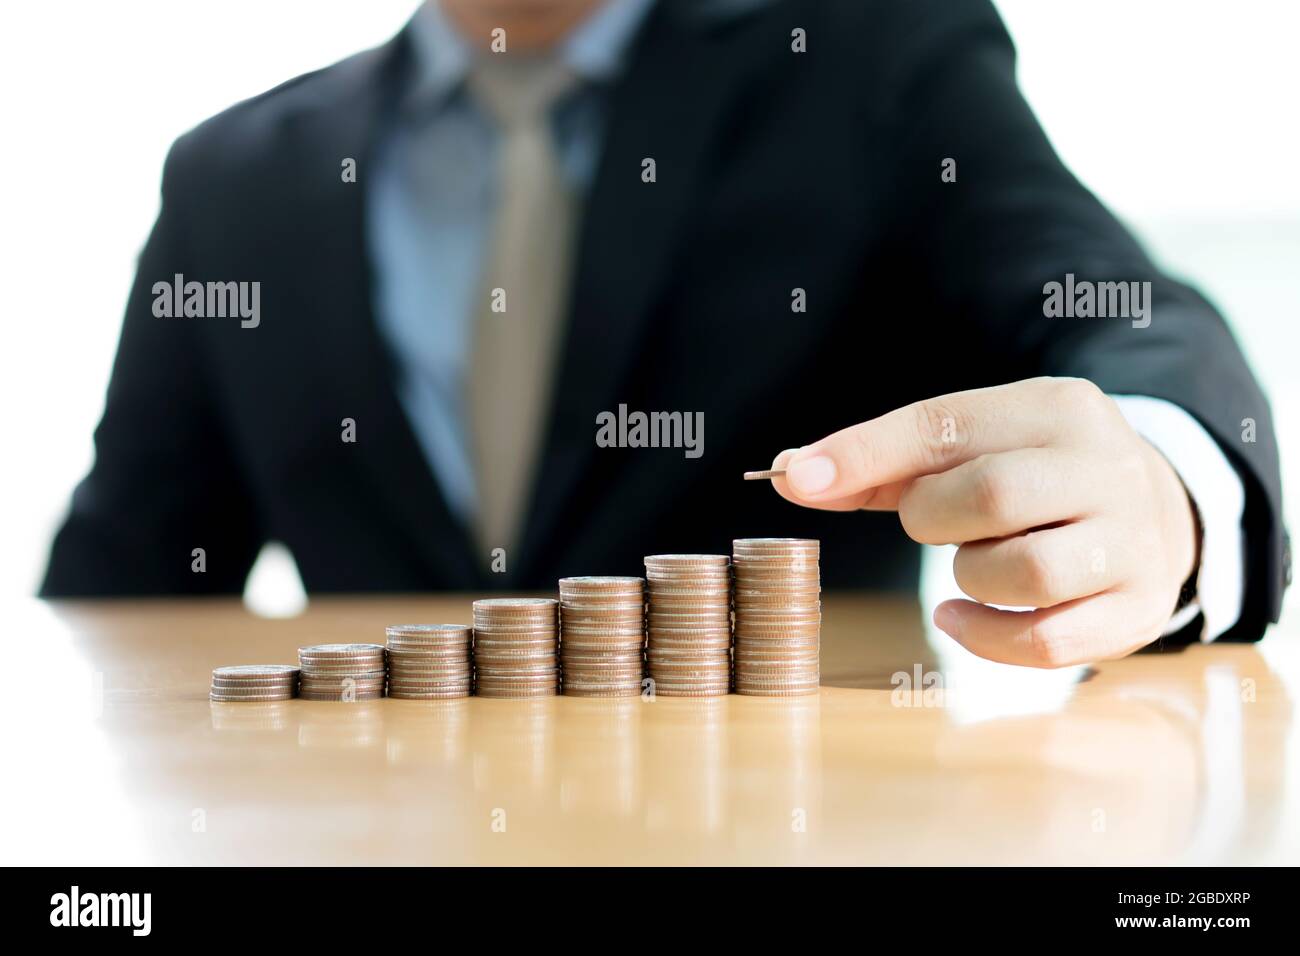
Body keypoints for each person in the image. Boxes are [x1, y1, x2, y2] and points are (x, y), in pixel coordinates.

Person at [42, 0, 1288, 668]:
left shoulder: (871, 61)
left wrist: (1164, 481)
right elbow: (123, 579)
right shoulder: (231, 176)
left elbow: (1113, 306)